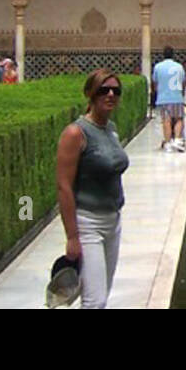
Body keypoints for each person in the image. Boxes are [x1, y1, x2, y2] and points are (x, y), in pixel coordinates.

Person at [55, 69, 129, 308]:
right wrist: (72, 236)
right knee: (94, 301)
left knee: (102, 294)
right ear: (90, 94)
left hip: (112, 221)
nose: (110, 95)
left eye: (115, 91)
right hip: (88, 223)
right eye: (103, 90)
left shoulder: (111, 129)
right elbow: (63, 186)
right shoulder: (76, 133)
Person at [152, 45, 186, 152]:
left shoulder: (158, 67)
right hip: (177, 96)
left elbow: (155, 82)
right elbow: (183, 82)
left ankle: (168, 143)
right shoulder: (179, 67)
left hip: (163, 98)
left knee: (166, 120)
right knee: (179, 119)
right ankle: (177, 140)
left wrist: (157, 92)